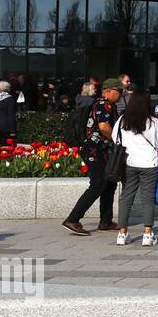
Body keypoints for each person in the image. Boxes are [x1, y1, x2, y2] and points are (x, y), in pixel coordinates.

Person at [62, 77, 123, 236]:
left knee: (110, 183)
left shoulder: (111, 105)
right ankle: (73, 219)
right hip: (93, 149)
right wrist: (118, 141)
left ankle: (106, 221)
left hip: (102, 149)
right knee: (98, 183)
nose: (121, 94)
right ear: (108, 91)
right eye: (119, 91)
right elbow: (103, 127)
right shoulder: (102, 104)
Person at [113, 90, 158, 248]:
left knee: (126, 197)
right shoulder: (153, 121)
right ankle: (147, 234)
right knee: (147, 198)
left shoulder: (123, 120)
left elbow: (115, 138)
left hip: (130, 162)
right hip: (150, 163)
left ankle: (122, 233)